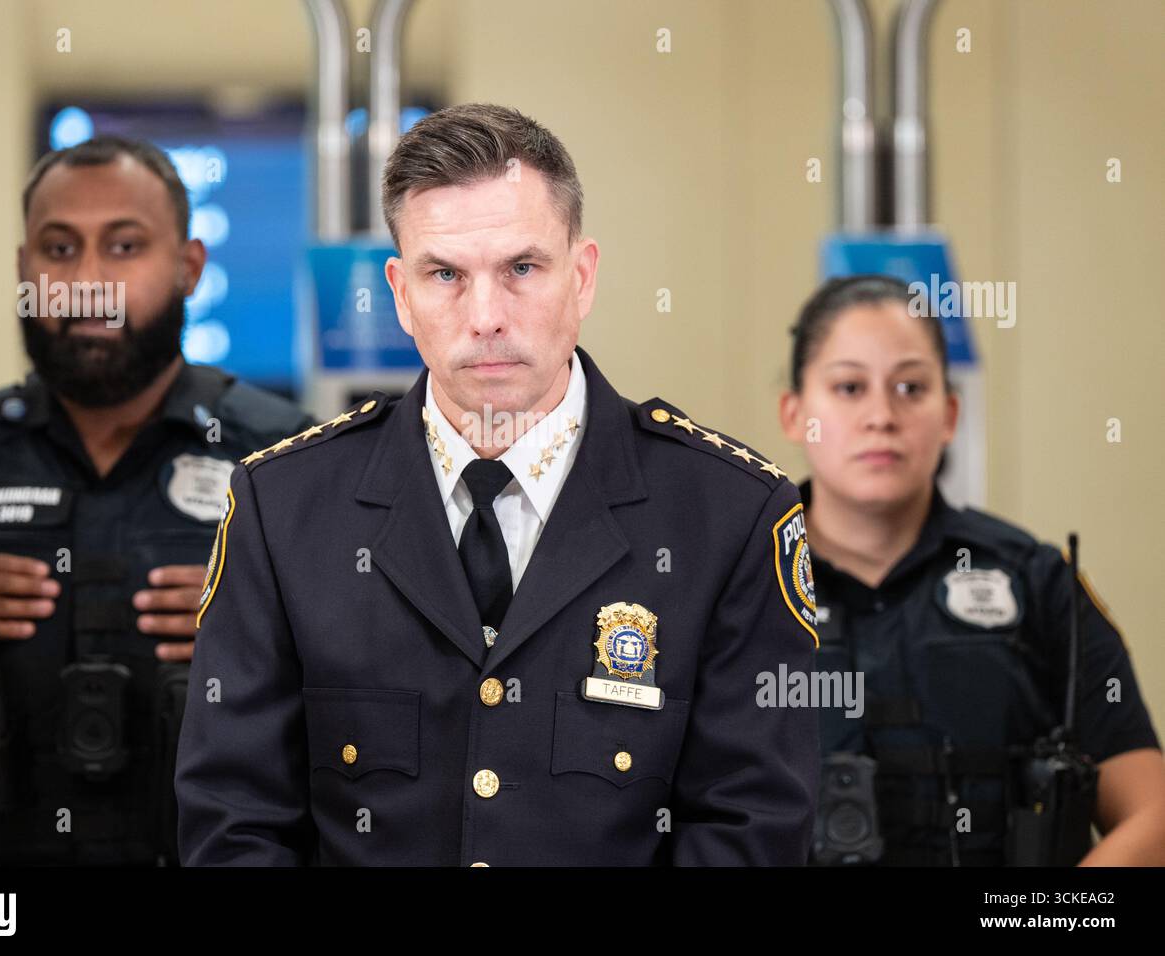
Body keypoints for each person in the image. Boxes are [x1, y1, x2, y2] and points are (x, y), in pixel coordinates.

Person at [176, 103, 821, 866]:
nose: (485, 316)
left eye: (521, 268)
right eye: (445, 274)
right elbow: (234, 821)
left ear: (581, 277)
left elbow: (752, 831)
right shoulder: (282, 509)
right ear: (400, 294)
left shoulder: (730, 516)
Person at [0, 135, 314, 865]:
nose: (89, 282)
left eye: (126, 246)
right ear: (24, 270)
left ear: (189, 267)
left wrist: (264, 645)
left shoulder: (286, 460)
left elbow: (380, 719)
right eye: (60, 249)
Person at [778, 274, 1165, 865]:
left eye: (911, 386)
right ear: (794, 412)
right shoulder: (737, 582)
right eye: (850, 387)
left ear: (950, 413)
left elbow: (1151, 815)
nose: (881, 415)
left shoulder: (1036, 583)